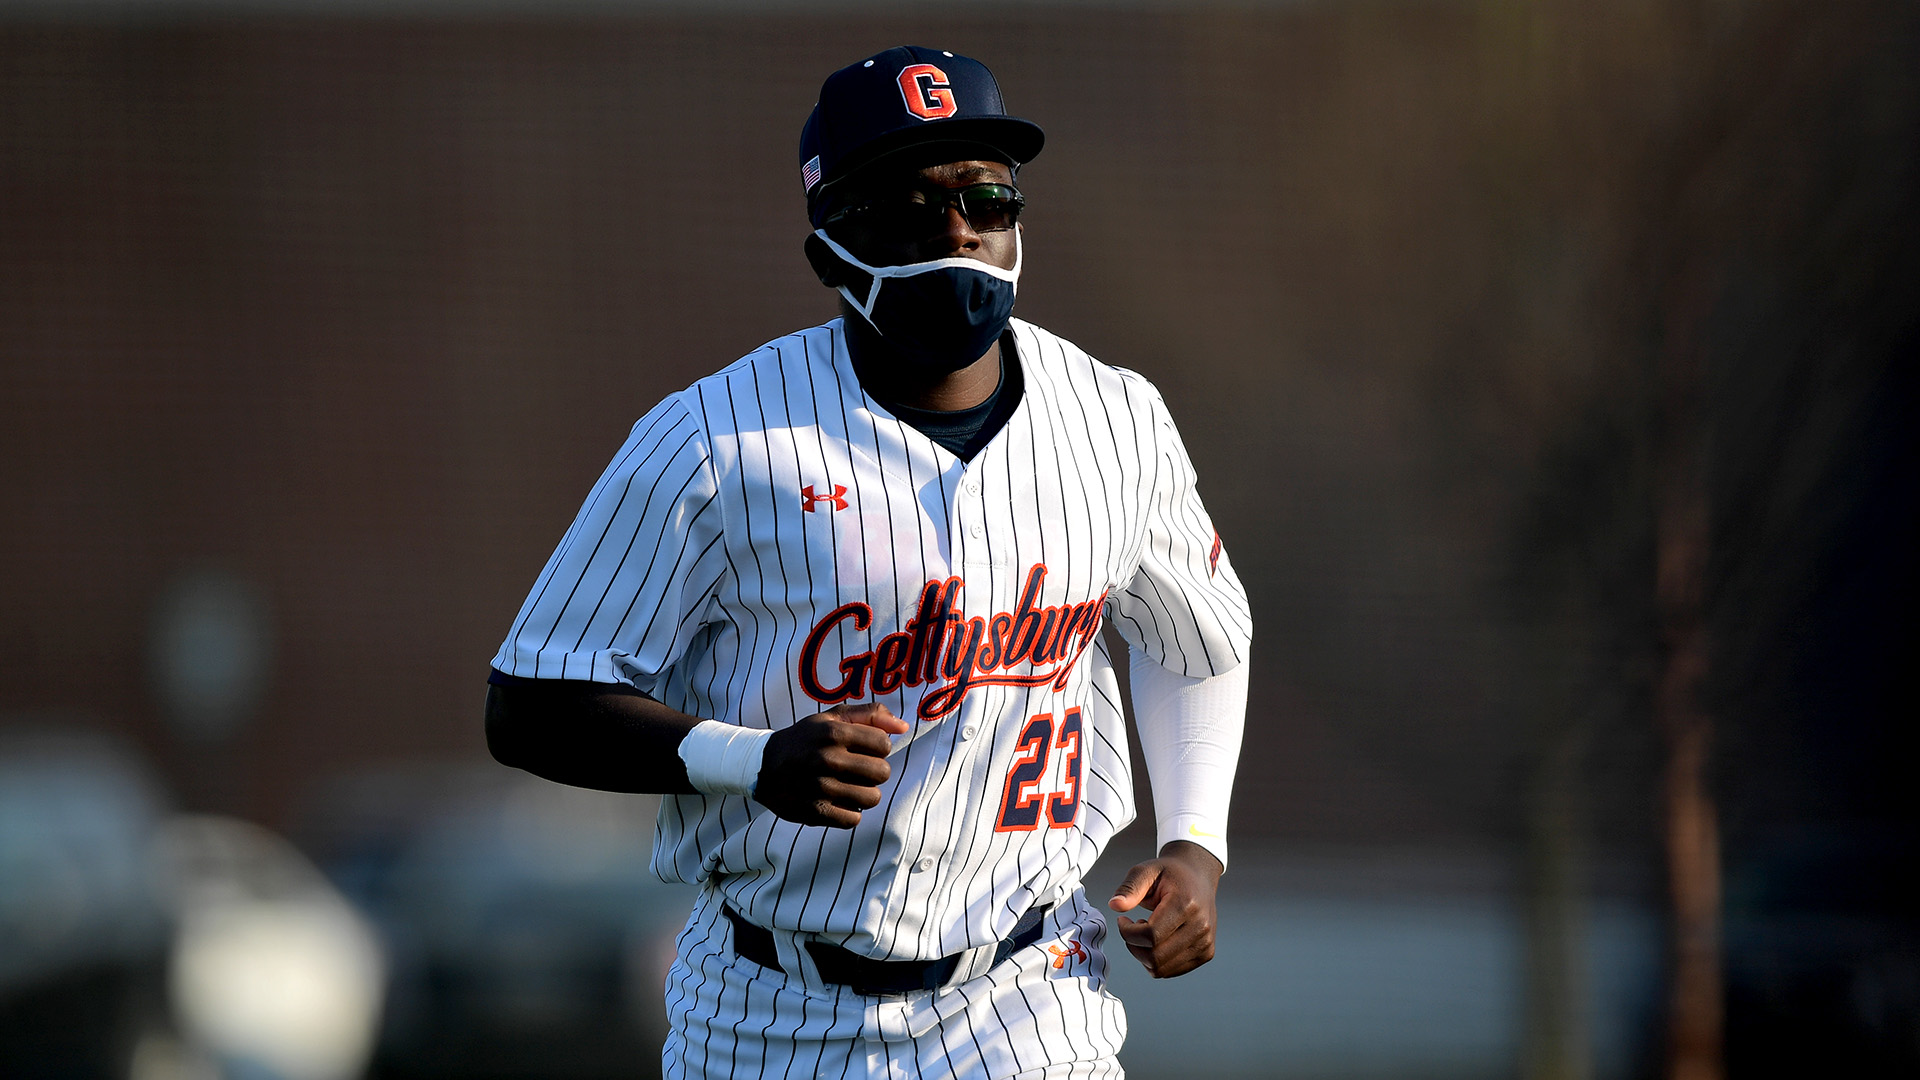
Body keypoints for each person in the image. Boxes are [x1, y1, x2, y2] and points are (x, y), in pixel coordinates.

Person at [485, 45, 1251, 1079]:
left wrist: (1195, 843)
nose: (960, 228)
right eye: (911, 202)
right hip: (770, 1008)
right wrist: (752, 760)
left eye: (986, 196)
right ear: (830, 250)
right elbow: (530, 703)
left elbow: (1198, 639)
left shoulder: (1116, 419)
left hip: (1029, 995)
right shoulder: (715, 442)